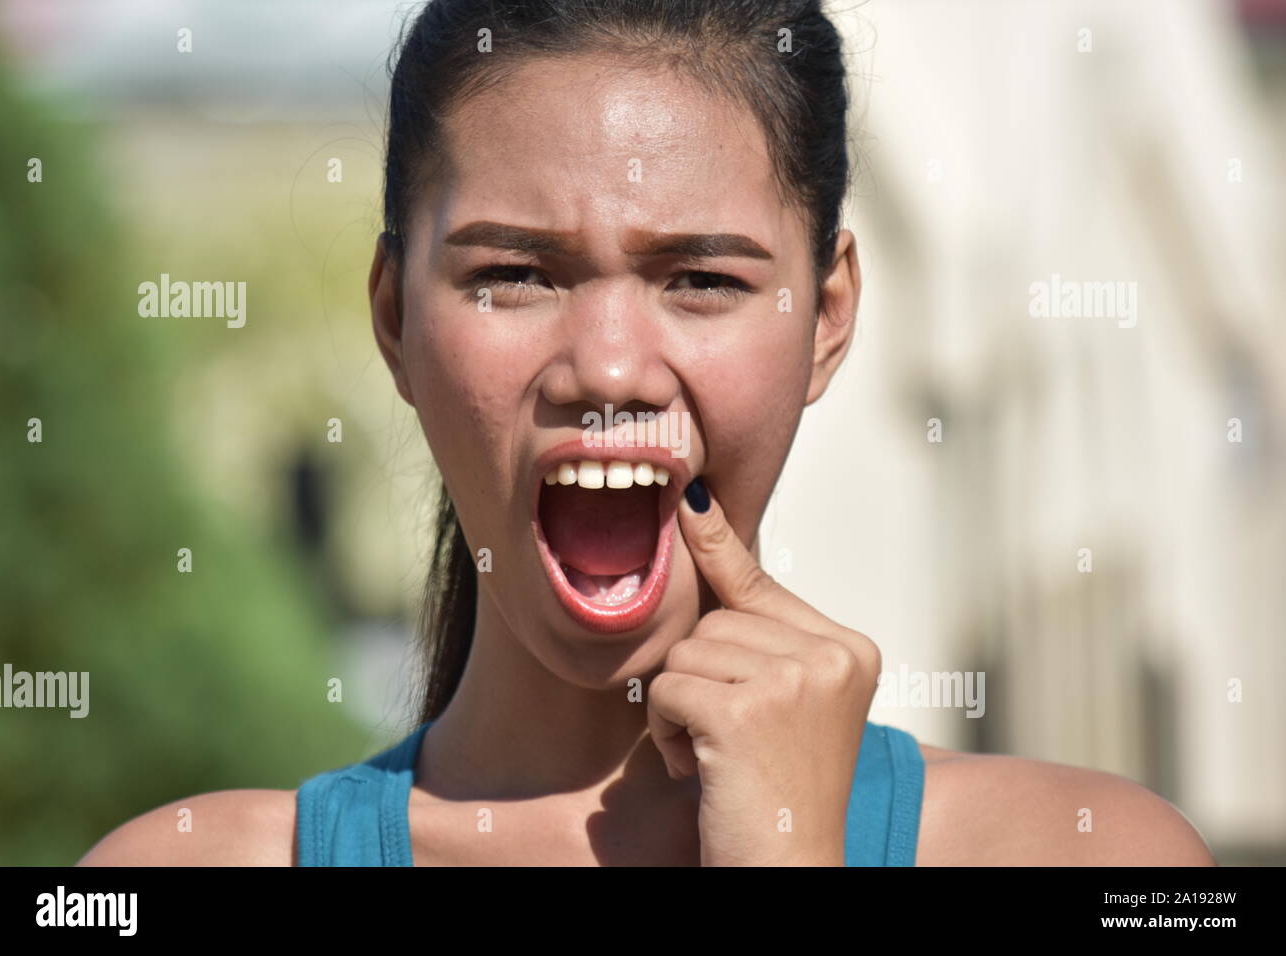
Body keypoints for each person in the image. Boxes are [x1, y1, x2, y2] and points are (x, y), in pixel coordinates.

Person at [79, 0, 1216, 866]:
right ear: (393, 317)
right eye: (515, 274)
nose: (609, 366)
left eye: (702, 277)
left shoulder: (1100, 852)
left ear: (825, 319)